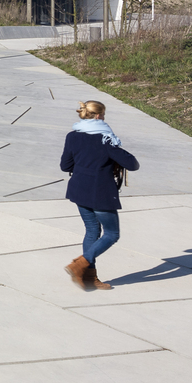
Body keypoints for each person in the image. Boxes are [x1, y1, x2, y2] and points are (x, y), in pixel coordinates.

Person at [60, 98, 138, 291]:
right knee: (111, 234)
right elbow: (133, 164)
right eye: (103, 115)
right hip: (100, 193)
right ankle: (79, 264)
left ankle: (88, 278)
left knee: (92, 231)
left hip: (79, 190)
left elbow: (65, 166)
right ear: (97, 116)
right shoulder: (105, 139)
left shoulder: (72, 135)